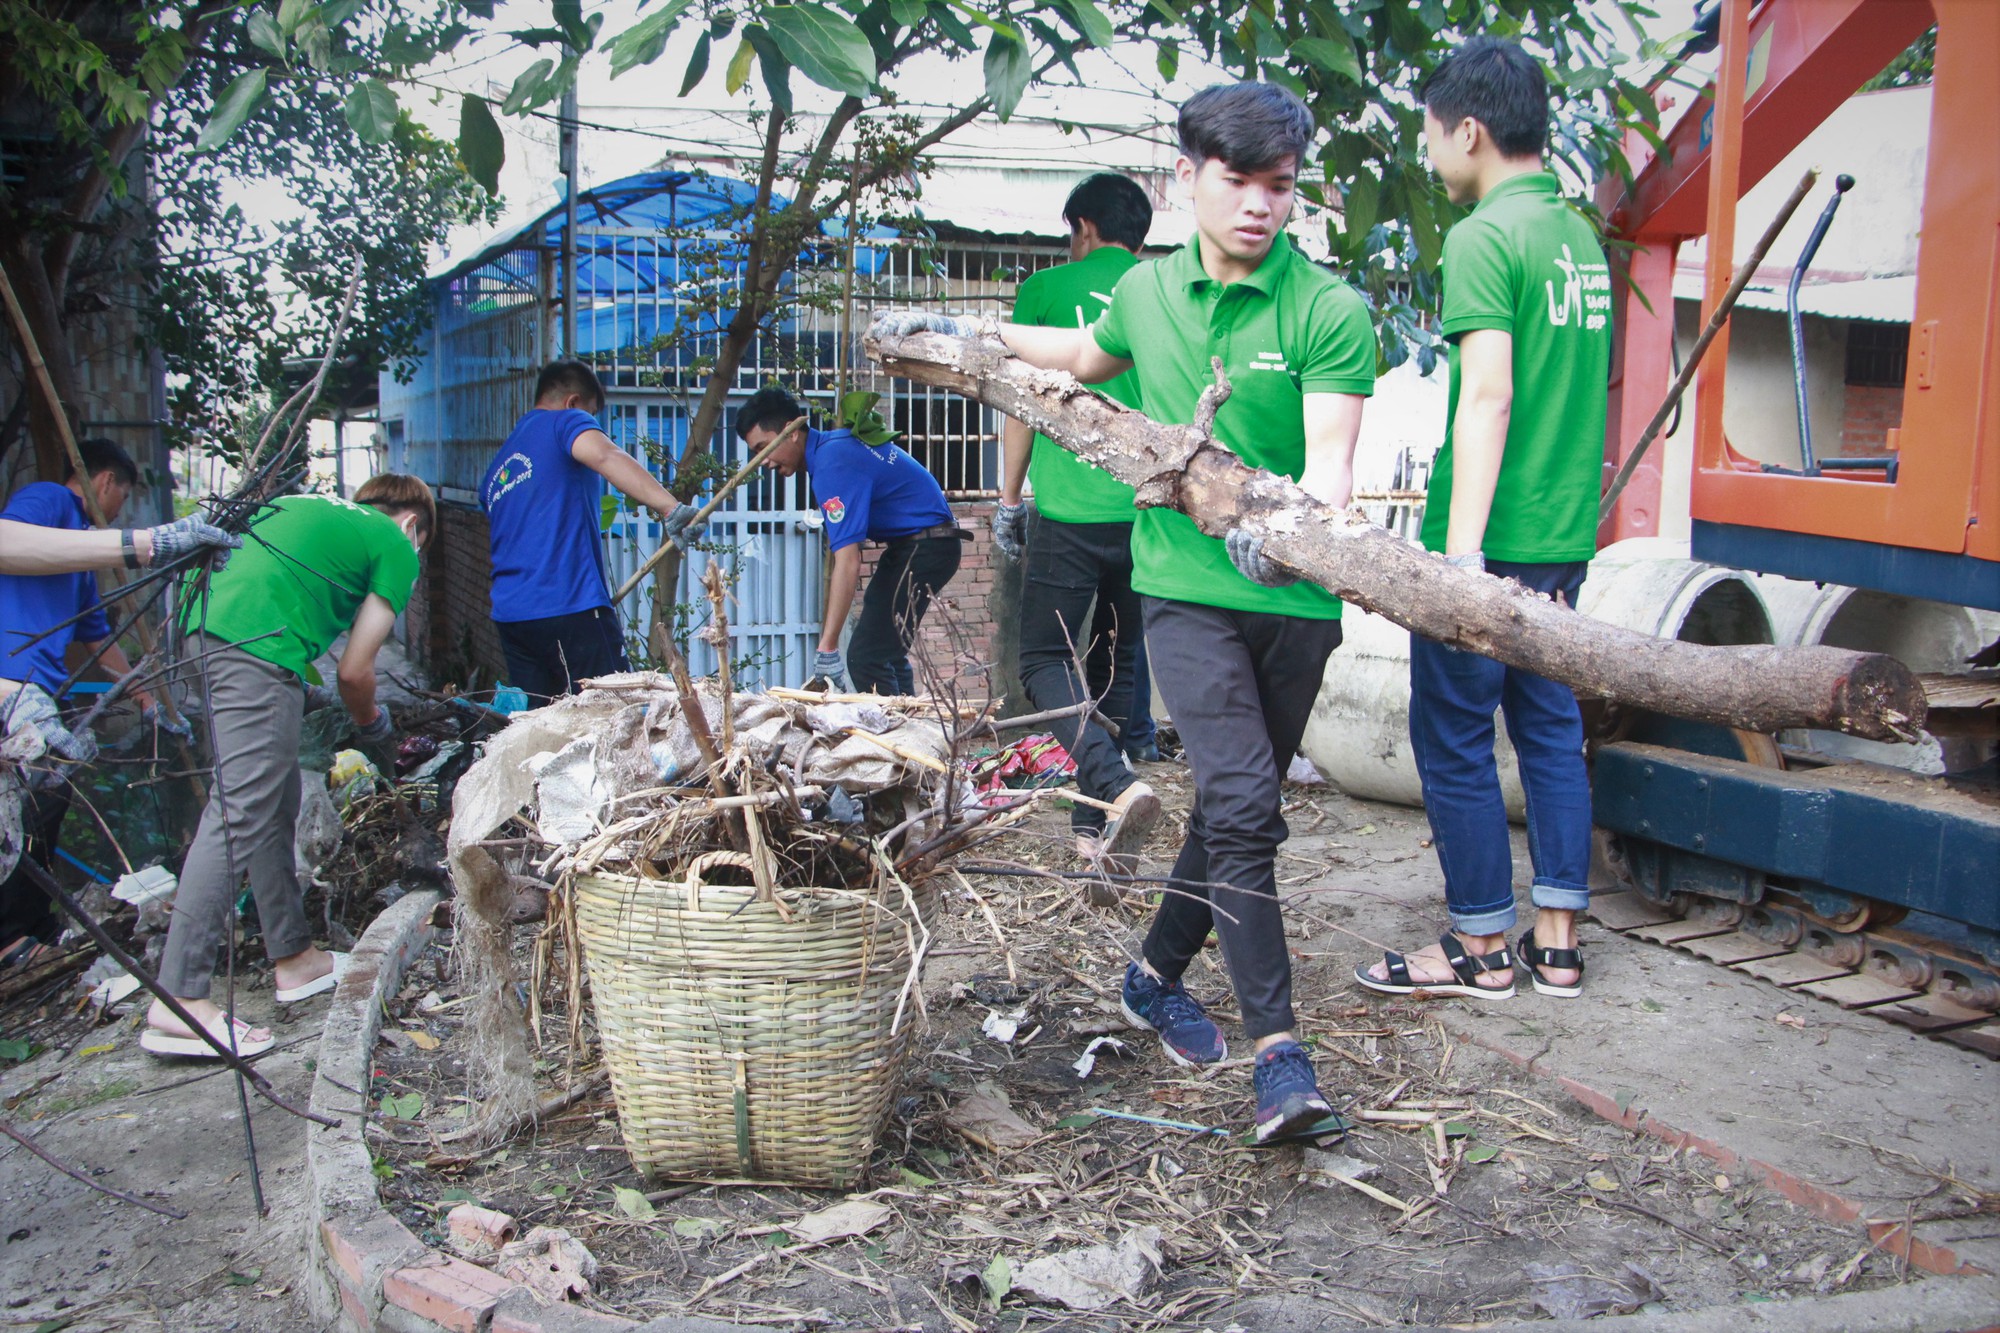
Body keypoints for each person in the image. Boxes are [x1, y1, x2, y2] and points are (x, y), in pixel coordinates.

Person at [874, 81, 1378, 1142]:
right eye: (1234, 181)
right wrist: (963, 335)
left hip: (1293, 603)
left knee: (1242, 812)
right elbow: (1074, 357)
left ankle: (1151, 972)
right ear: (1185, 178)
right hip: (1184, 592)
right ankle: (1281, 1060)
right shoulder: (1146, 299)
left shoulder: (1329, 311)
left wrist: (1289, 530)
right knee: (1242, 801)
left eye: (1276, 187)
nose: (1256, 205)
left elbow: (1331, 469)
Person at [1356, 37, 1608, 1003]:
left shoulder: (1483, 237)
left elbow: (1489, 396)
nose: (1428, 156)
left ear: (1469, 130)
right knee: (1549, 730)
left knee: (1454, 736)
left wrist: (1458, 558)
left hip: (1491, 535)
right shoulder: (1578, 237)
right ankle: (1557, 942)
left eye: (1430, 135)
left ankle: (1479, 947)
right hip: (1561, 536)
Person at [145, 475, 435, 1058]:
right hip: (256, 643)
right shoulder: (395, 542)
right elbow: (355, 671)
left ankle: (295, 958)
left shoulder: (314, 512)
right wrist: (377, 731)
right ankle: (178, 998)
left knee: (270, 802)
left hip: (207, 630)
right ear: (413, 525)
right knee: (241, 807)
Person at [996, 172, 1163, 874]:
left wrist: (1008, 499)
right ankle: (1095, 830)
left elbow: (1020, 400)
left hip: (1066, 514)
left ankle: (1116, 786)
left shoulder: (1042, 294)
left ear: (1085, 229)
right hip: (1144, 510)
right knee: (1115, 664)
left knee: (1044, 662)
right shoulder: (1163, 293)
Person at [0, 440, 181, 971]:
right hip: (8, 685)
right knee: (20, 813)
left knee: (47, 806)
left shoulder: (78, 564)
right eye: (122, 498)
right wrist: (138, 544)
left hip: (39, 695)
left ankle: (36, 923)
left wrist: (150, 701)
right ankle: (9, 936)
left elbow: (99, 644)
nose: (120, 511)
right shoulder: (50, 501)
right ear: (104, 483)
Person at [482, 359, 703, 702]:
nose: (592, 424)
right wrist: (670, 508)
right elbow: (605, 455)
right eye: (592, 414)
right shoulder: (565, 422)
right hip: (568, 606)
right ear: (573, 403)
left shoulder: (500, 464)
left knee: (544, 727)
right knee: (615, 717)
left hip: (513, 618)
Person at [739, 386, 961, 696]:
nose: (762, 461)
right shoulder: (833, 450)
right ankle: (913, 726)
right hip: (923, 544)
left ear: (791, 431)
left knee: (866, 657)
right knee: (883, 653)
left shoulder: (832, 462)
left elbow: (848, 560)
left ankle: (894, 738)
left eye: (764, 447)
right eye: (755, 453)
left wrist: (827, 648)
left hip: (927, 546)